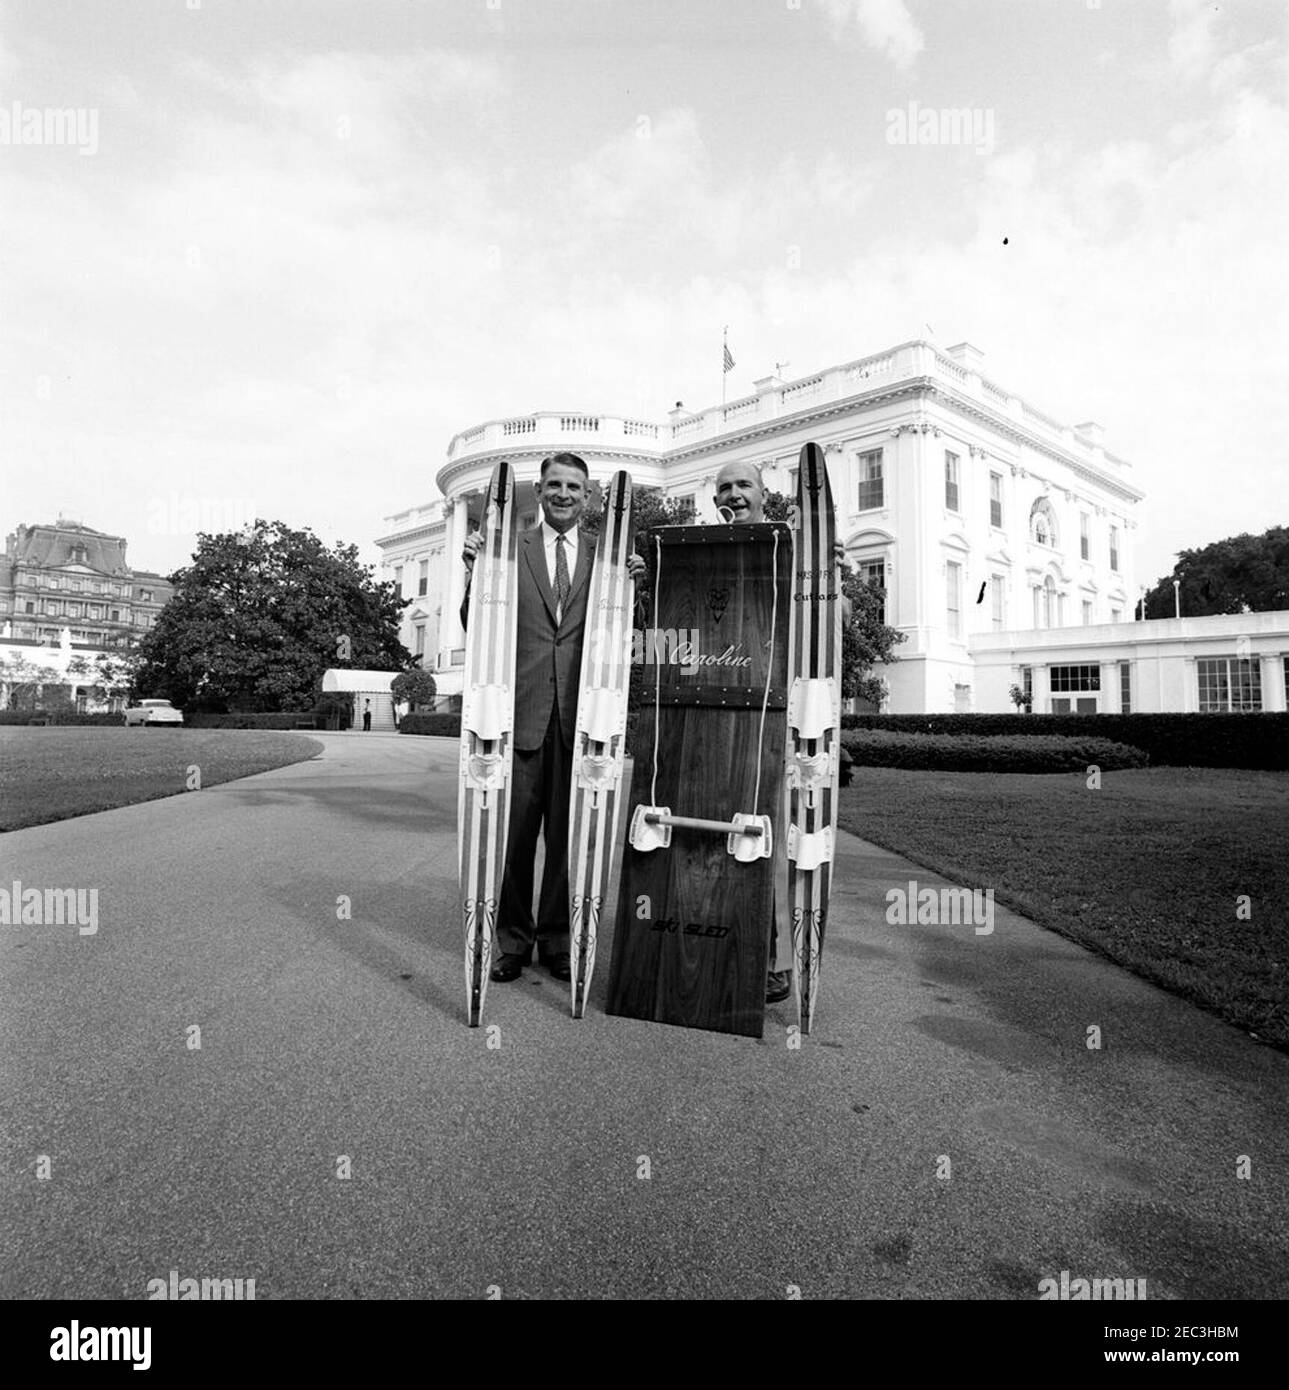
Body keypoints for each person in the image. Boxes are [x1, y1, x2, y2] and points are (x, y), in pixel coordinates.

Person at [461, 452, 645, 983]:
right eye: (554, 485)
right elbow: (478, 626)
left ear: (588, 497)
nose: (564, 494)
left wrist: (636, 585)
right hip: (520, 716)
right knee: (515, 839)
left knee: (569, 839)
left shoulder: (607, 558)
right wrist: (476, 572)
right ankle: (512, 942)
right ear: (539, 491)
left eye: (574, 487)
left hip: (582, 718)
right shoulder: (506, 551)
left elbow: (623, 637)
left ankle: (558, 941)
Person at [709, 461, 849, 1004]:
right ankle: (726, 944)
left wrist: (829, 580)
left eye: (744, 485)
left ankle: (777, 961)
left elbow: (828, 627)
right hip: (725, 710)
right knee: (729, 832)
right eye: (725, 487)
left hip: (784, 716)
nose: (734, 494)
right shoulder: (709, 551)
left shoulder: (795, 549)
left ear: (764, 495)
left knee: (780, 840)